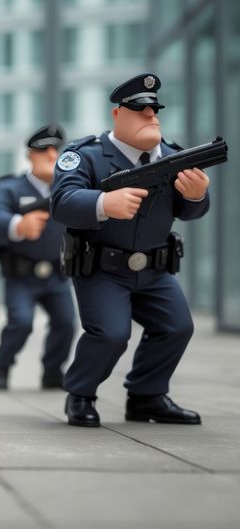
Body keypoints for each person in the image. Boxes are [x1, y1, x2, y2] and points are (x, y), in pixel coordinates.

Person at [52, 73, 210, 427]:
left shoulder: (174, 156)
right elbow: (62, 203)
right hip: (102, 267)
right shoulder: (85, 156)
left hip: (155, 268)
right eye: (139, 110)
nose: (150, 115)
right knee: (110, 334)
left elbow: (189, 211)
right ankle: (80, 394)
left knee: (177, 327)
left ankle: (147, 397)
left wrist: (197, 195)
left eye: (154, 109)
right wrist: (103, 202)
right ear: (117, 115)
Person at [0, 124, 75, 390]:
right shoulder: (12, 188)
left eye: (56, 150)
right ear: (30, 155)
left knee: (66, 323)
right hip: (21, 274)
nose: (51, 155)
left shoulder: (69, 189)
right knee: (21, 322)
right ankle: (3, 363)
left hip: (57, 274)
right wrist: (18, 224)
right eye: (43, 150)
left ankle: (52, 370)